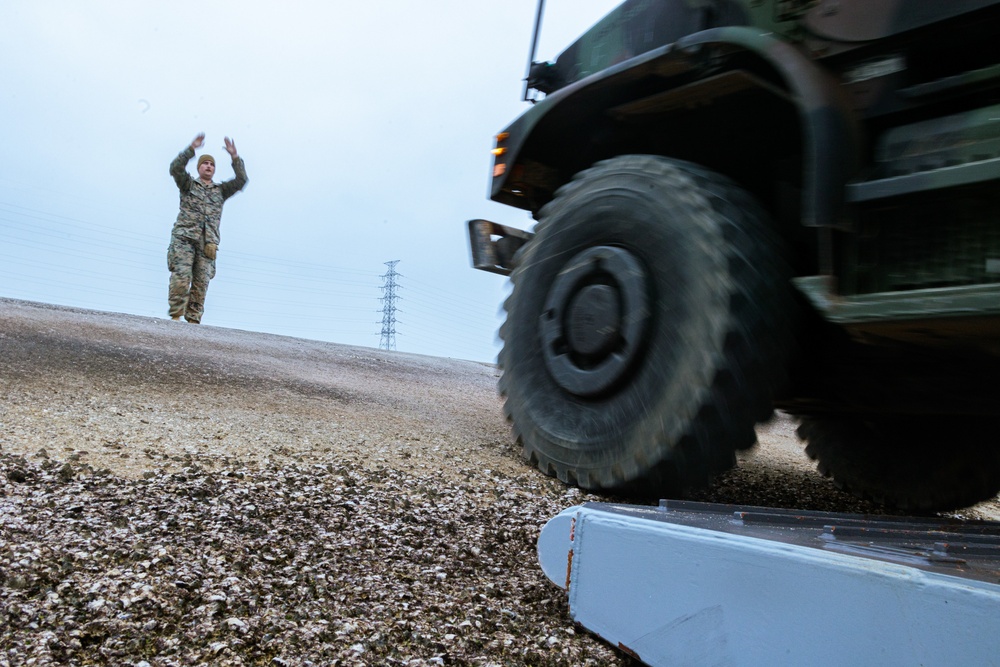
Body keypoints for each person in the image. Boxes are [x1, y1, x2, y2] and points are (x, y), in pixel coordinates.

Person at [166, 133, 248, 323]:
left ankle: (193, 320)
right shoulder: (188, 185)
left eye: (212, 164)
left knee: (201, 284)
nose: (209, 166)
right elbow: (175, 168)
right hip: (184, 238)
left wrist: (235, 157)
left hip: (207, 244)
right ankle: (176, 316)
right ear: (199, 167)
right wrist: (191, 149)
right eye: (205, 163)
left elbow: (241, 180)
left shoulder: (220, 191)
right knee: (181, 278)